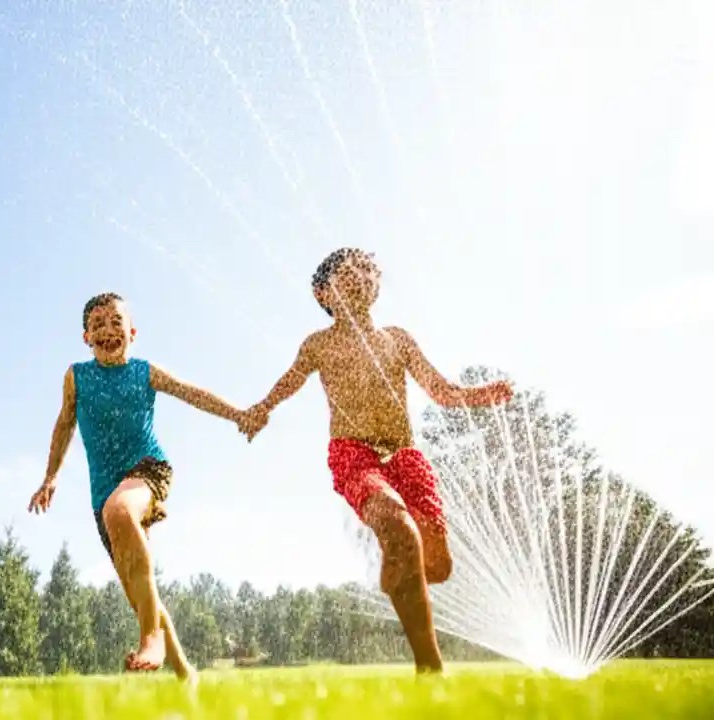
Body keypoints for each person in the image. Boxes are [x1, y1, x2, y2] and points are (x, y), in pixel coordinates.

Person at [240, 248, 513, 673]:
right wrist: (263, 408)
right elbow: (289, 381)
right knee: (400, 530)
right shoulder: (319, 344)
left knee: (437, 564)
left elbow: (441, 391)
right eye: (348, 272)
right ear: (322, 293)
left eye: (367, 270)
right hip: (354, 454)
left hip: (405, 456)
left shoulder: (397, 338)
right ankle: (430, 670)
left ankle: (396, 563)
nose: (361, 276)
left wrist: (478, 396)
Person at [29, 291, 248, 681]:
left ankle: (151, 639)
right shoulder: (76, 377)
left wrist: (238, 414)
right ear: (86, 337)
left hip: (149, 469)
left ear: (133, 332)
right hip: (104, 493)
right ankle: (185, 673)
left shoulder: (144, 372)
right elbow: (64, 424)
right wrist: (50, 477)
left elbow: (192, 393)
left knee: (121, 510)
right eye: (97, 325)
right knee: (140, 595)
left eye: (117, 322)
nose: (107, 330)